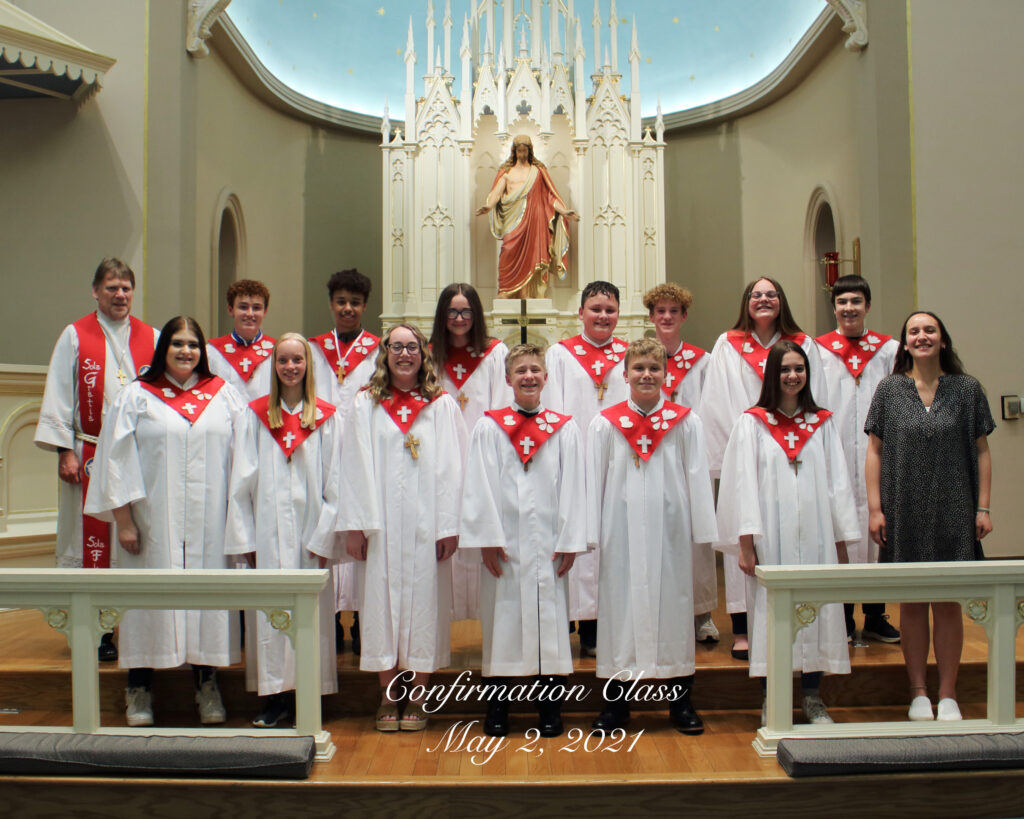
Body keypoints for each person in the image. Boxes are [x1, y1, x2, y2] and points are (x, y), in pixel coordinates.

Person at [84, 316, 246, 727]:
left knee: (205, 601)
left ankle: (207, 683)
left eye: (193, 344)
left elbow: (243, 461)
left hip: (209, 524)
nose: (186, 351)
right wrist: (124, 521)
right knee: (148, 604)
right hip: (152, 523)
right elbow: (114, 463)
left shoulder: (223, 396)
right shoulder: (136, 396)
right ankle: (138, 688)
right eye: (178, 343)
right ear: (164, 349)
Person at [716, 341, 858, 725]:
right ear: (771, 375)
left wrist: (841, 542)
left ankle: (812, 696)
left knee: (818, 614)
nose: (792, 376)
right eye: (784, 370)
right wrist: (746, 544)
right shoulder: (752, 422)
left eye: (799, 369)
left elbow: (838, 485)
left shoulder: (822, 423)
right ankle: (773, 697)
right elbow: (742, 485)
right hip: (770, 539)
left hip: (816, 537)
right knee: (771, 616)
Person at [865, 312, 994, 722]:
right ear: (904, 343)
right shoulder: (889, 390)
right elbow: (875, 451)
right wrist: (874, 508)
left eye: (929, 330)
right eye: (913, 331)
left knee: (949, 604)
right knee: (913, 603)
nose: (921, 336)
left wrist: (983, 507)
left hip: (954, 510)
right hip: (903, 510)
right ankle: (919, 691)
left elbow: (982, 451)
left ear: (942, 340)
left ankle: (950, 693)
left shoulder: (967, 389)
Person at [338, 324, 465, 732]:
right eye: (397, 347)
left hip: (428, 524)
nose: (405, 354)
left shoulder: (440, 404)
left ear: (423, 353)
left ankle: (420, 695)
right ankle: (388, 696)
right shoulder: (366, 404)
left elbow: (453, 468)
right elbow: (353, 468)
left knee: (425, 605)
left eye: (412, 347)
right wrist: (356, 526)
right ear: (385, 353)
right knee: (379, 607)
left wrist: (449, 525)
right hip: (381, 526)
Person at [586, 339, 718, 734]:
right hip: (619, 532)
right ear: (624, 374)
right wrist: (589, 532)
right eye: (639, 368)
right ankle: (615, 706)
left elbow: (697, 476)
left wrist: (703, 532)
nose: (646, 375)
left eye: (654, 369)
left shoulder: (685, 422)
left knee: (675, 612)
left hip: (671, 534)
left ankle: (680, 702)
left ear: (666, 374)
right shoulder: (605, 422)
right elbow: (593, 480)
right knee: (618, 613)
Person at [34, 257, 159, 662]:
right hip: (87, 453)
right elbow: (59, 393)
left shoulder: (153, 337)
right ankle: (97, 630)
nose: (120, 294)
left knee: (134, 539)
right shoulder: (75, 335)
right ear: (95, 291)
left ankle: (140, 625)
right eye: (111, 287)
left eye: (126, 287)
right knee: (90, 541)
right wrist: (65, 450)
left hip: (137, 459)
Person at [459, 343, 586, 738]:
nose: (529, 376)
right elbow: (479, 486)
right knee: (503, 624)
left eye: (535, 370)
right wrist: (486, 539)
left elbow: (573, 488)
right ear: (508, 379)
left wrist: (570, 539)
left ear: (546, 378)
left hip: (549, 547)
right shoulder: (489, 427)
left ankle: (551, 709)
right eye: (521, 371)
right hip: (506, 547)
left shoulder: (564, 429)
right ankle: (497, 709)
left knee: (550, 625)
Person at [699, 277, 828, 661]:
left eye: (771, 294)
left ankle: (802, 622)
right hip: (746, 445)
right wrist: (729, 456)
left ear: (781, 301)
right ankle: (742, 627)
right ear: (746, 302)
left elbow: (816, 394)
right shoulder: (728, 343)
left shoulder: (803, 344)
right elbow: (717, 400)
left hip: (794, 447)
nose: (764, 300)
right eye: (756, 295)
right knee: (747, 535)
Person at [225, 333, 341, 728]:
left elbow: (336, 483)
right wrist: (245, 540)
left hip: (311, 535)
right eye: (283, 361)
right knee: (269, 615)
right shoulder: (255, 416)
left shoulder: (326, 416)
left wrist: (326, 536)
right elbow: (240, 483)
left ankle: (309, 694)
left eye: (298, 360)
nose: (291, 367)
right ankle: (274, 698)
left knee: (311, 615)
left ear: (309, 366)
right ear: (273, 367)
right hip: (268, 533)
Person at [543, 280, 629, 656]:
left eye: (610, 310)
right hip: (573, 462)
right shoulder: (561, 355)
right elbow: (552, 410)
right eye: (595, 309)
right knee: (571, 540)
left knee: (607, 546)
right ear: (580, 313)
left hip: (616, 464)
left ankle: (596, 627)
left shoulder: (629, 355)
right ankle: (565, 620)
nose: (603, 316)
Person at [815, 275, 901, 644]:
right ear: (833, 307)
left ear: (867, 306)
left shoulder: (889, 350)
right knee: (841, 528)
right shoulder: (817, 350)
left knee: (876, 528)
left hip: (877, 452)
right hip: (834, 451)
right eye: (842, 302)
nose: (849, 308)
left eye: (856, 301)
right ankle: (844, 615)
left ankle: (875, 613)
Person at [429, 282, 512, 622]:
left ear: (476, 314)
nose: (459, 318)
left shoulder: (495, 353)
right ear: (442, 315)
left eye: (465, 311)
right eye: (452, 311)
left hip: (483, 460)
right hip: (441, 459)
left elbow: (502, 409)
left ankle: (487, 618)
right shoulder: (429, 354)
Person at [309, 268, 380, 655]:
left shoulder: (379, 349)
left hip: (363, 448)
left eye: (355, 302)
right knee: (328, 530)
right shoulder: (314, 348)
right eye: (341, 302)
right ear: (331, 304)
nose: (348, 308)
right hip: (322, 448)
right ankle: (333, 620)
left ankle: (365, 619)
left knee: (361, 531)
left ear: (365, 305)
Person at [643, 282, 718, 644]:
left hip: (689, 457)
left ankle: (702, 613)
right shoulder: (639, 359)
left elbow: (710, 408)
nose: (667, 317)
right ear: (652, 316)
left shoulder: (702, 361)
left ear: (684, 316)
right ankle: (655, 611)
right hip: (649, 455)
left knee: (695, 535)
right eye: (661, 311)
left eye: (674, 311)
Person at [476, 134, 578, 298]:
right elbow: (496, 193)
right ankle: (506, 290)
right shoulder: (507, 172)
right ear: (514, 151)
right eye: (519, 150)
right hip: (513, 221)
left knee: (533, 256)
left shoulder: (537, 172)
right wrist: (488, 206)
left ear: (530, 151)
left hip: (534, 221)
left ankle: (527, 293)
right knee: (508, 250)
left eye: (525, 150)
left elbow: (549, 197)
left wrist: (564, 211)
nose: (522, 154)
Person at [206, 279, 276, 399]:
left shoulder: (277, 352)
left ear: (265, 311)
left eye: (256, 308)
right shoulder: (212, 352)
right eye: (243, 307)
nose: (249, 313)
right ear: (230, 310)